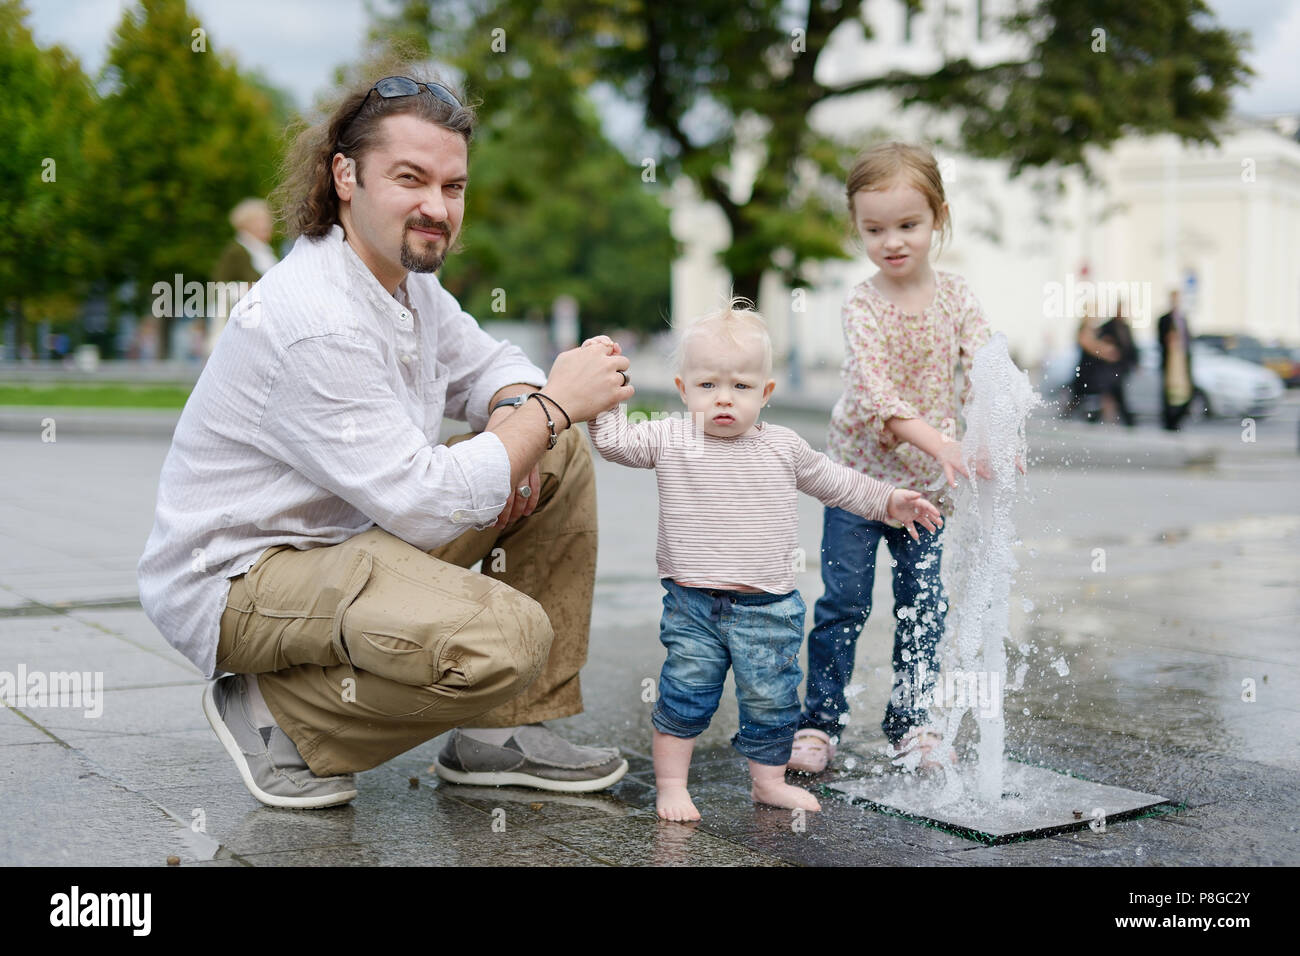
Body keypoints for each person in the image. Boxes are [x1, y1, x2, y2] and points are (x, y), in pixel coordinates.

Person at [137, 72, 634, 810]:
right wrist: (552, 408)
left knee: (549, 454)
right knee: (507, 639)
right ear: (345, 175)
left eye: (454, 186)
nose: (437, 207)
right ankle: (277, 719)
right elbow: (426, 504)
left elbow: (492, 364)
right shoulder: (314, 318)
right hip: (245, 577)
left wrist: (522, 415)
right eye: (410, 178)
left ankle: (499, 738)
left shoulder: (406, 283)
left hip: (349, 539)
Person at [586, 304, 942, 820]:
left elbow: (838, 483)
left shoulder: (783, 447)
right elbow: (614, 442)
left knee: (773, 703)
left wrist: (889, 502)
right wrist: (609, 383)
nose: (725, 397)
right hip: (693, 604)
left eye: (742, 387)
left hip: (770, 609)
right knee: (684, 694)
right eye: (708, 386)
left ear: (766, 393)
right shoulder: (672, 437)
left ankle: (768, 783)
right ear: (684, 390)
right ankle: (671, 786)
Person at [790, 142, 995, 776]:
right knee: (844, 601)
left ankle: (913, 724)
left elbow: (987, 367)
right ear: (857, 227)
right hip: (857, 481)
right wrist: (945, 442)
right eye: (874, 229)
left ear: (939, 218)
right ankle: (821, 722)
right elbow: (880, 396)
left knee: (922, 604)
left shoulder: (957, 298)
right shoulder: (862, 304)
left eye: (909, 225)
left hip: (926, 490)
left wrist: (996, 438)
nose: (892, 242)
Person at [209, 198, 280, 354]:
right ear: (245, 224)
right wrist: (249, 289)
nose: (268, 225)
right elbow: (219, 286)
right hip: (241, 324)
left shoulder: (265, 252)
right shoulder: (236, 251)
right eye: (261, 221)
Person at [1090, 302, 1138, 426]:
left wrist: (1134, 363)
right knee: (1114, 393)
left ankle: (1097, 418)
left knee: (1114, 394)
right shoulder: (1108, 326)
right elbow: (1100, 344)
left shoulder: (1126, 327)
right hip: (1110, 368)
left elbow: (1131, 348)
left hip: (1122, 367)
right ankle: (1128, 421)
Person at [1158, 289, 1194, 431]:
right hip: (1170, 363)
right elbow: (1160, 340)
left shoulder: (1183, 318)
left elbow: (1188, 340)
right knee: (1169, 394)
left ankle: (1178, 418)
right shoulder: (1164, 319)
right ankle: (1169, 422)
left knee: (1186, 393)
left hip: (1182, 362)